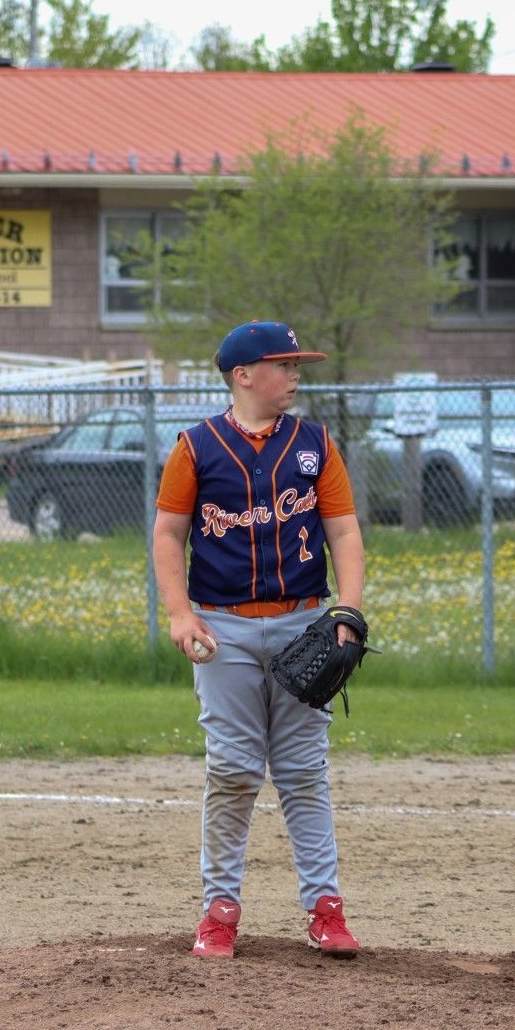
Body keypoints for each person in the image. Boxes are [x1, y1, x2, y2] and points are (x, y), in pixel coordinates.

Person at [152, 321, 366, 960]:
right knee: (234, 771)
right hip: (225, 629)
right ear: (244, 374)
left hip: (304, 622)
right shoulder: (196, 447)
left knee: (303, 772)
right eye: (285, 364)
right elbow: (168, 536)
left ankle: (325, 909)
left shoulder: (314, 444)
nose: (296, 375)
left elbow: (345, 534)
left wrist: (347, 610)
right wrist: (179, 614)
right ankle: (219, 911)